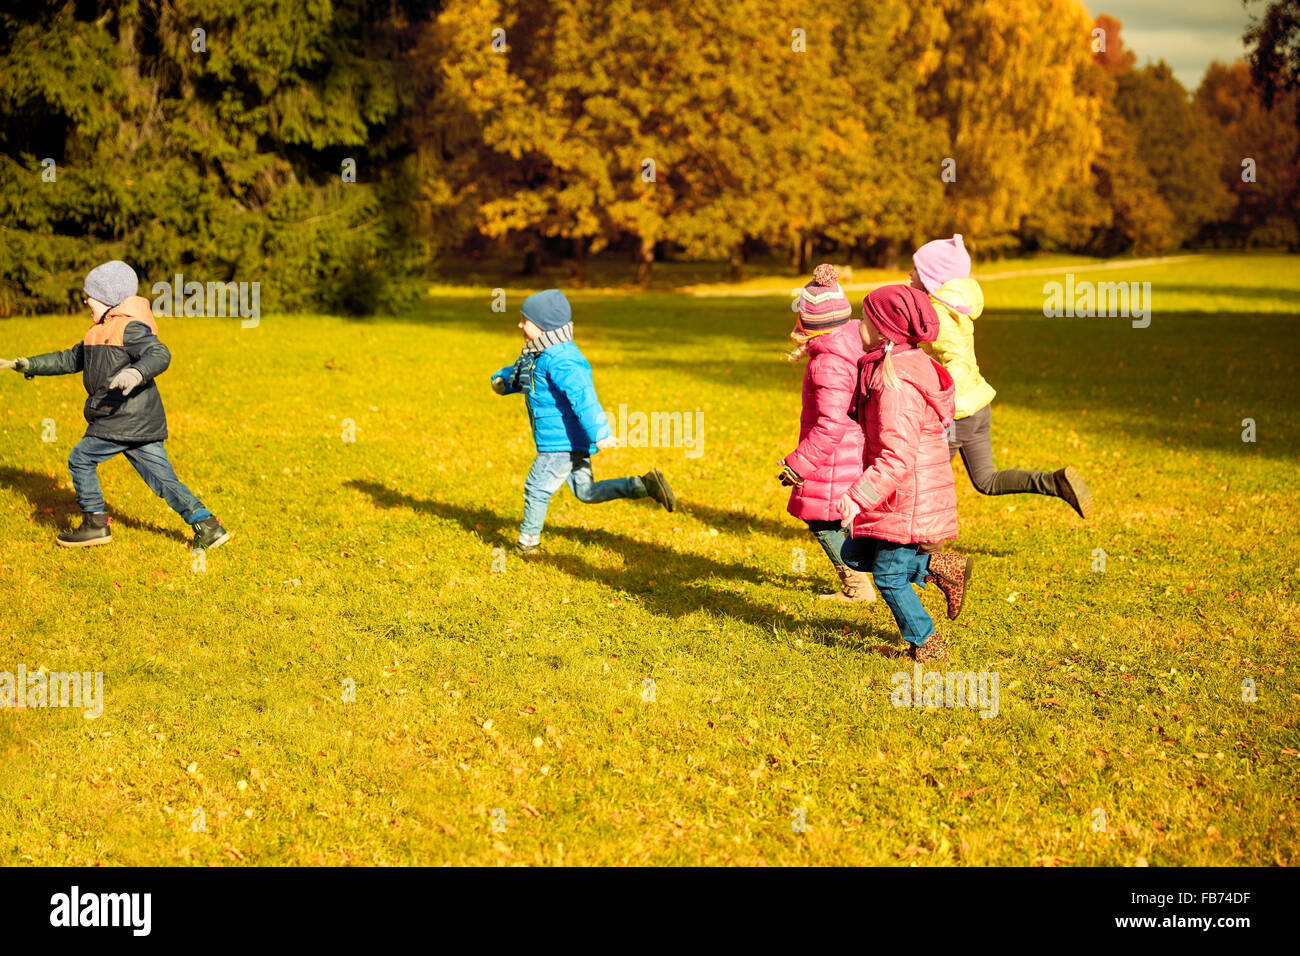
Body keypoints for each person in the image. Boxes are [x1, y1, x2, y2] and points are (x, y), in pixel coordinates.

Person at [0, 260, 230, 550]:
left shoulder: (130, 328)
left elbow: (159, 353)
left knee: (80, 458)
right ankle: (207, 525)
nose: (86, 300)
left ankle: (95, 524)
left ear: (108, 299)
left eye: (90, 296)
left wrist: (136, 372)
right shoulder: (99, 331)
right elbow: (68, 360)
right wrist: (29, 363)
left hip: (118, 416)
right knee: (162, 478)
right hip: (139, 422)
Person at [911, 234, 1092, 518]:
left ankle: (925, 552)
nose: (910, 274)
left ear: (930, 276)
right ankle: (1055, 482)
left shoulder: (939, 315)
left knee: (922, 481)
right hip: (978, 408)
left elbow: (956, 362)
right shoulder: (953, 309)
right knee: (987, 480)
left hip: (956, 414)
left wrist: (940, 403)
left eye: (916, 270)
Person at [838, 286, 974, 662]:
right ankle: (937, 566)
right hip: (903, 490)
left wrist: (856, 496)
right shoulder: (901, 364)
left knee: (888, 576)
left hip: (907, 493)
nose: (858, 323)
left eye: (864, 318)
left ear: (883, 329)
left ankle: (926, 644)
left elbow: (897, 457)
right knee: (854, 551)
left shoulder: (893, 382)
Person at [491, 289, 674, 555]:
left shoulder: (562, 360)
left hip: (560, 442)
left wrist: (599, 432)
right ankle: (644, 485)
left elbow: (583, 396)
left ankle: (528, 545)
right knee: (586, 491)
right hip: (568, 440)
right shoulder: (539, 353)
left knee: (536, 487)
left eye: (524, 320)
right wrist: (502, 380)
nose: (519, 324)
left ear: (543, 325)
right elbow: (522, 375)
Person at [778, 264, 875, 602]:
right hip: (848, 447)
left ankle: (857, 585)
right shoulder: (848, 339)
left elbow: (830, 423)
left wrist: (798, 464)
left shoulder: (828, 362)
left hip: (831, 454)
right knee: (844, 517)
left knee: (822, 519)